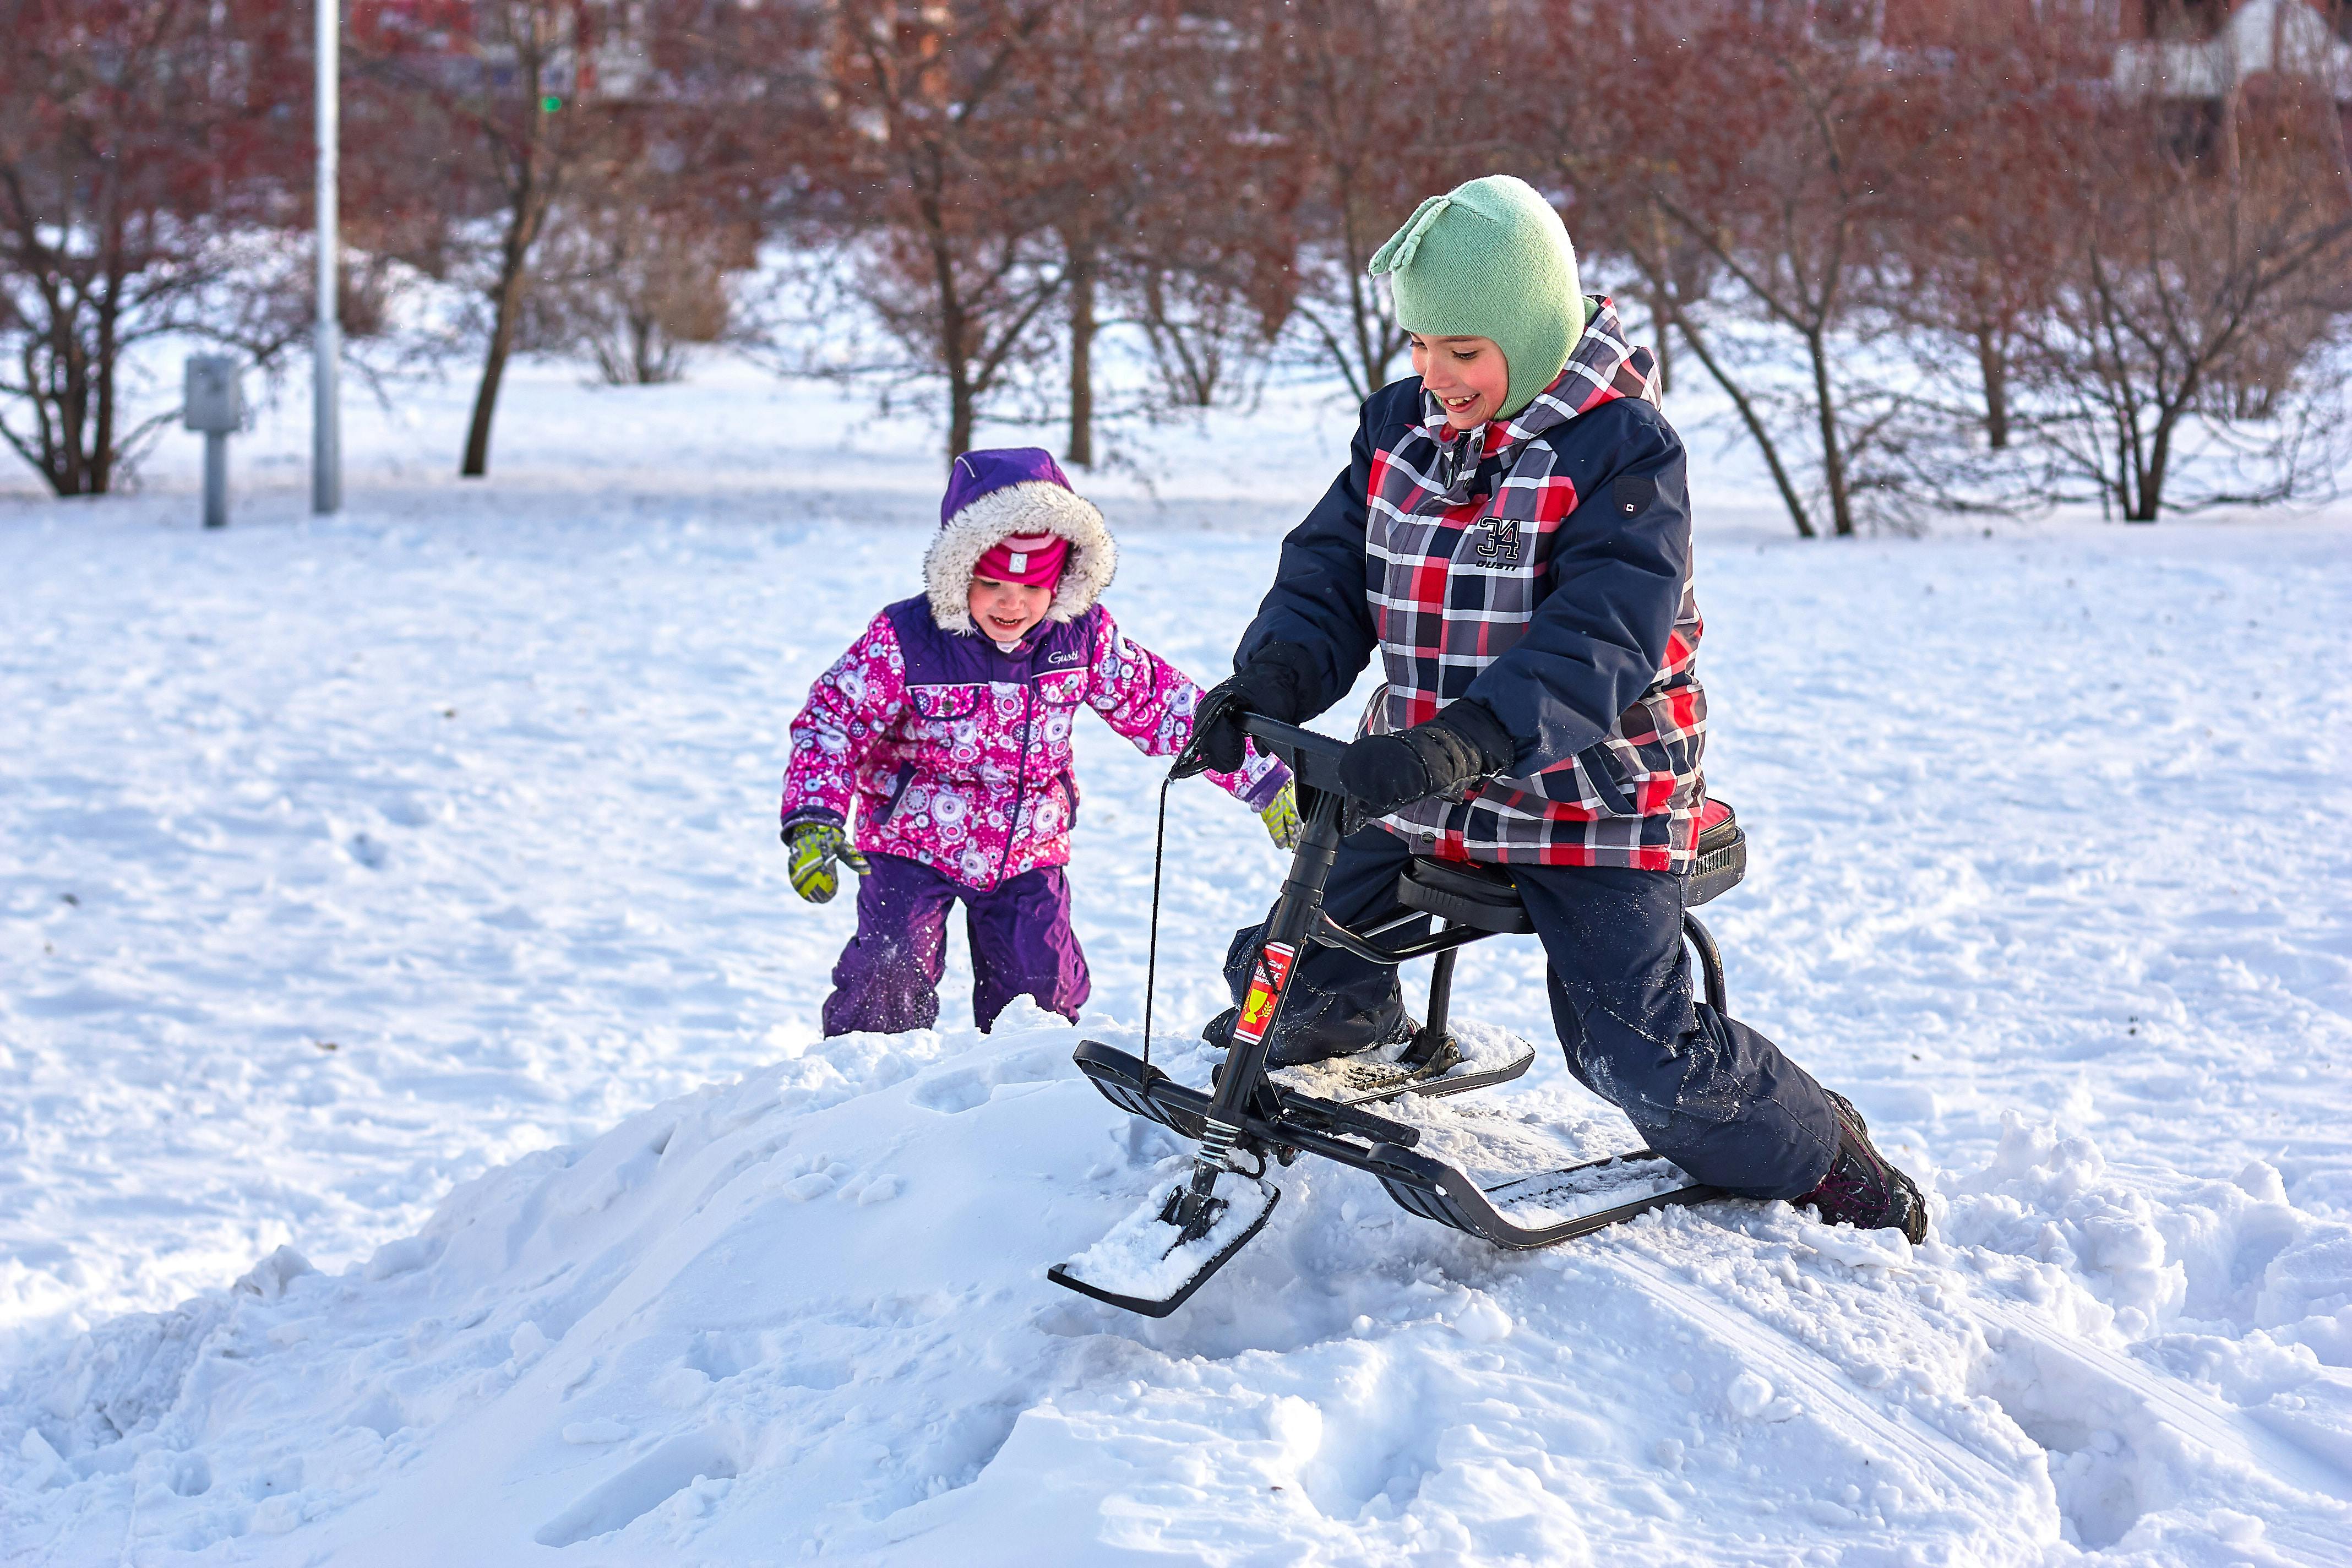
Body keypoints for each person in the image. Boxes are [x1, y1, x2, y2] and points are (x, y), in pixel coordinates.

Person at [1182, 176, 1925, 1240]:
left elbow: (1600, 638)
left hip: (1593, 793)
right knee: (1284, 967)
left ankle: (1817, 1141)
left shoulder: (1621, 452)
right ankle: (1354, 1009)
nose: (1434, 376)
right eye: (1420, 347)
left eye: (1464, 351)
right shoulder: (1400, 429)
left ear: (1531, 335)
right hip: (1427, 774)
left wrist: (1472, 739)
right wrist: (1272, 682)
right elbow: (1330, 572)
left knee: (1633, 1051)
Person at [782, 447, 1297, 1038]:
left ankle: (1022, 1102)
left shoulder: (1079, 638)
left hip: (1026, 847)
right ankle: (859, 1087)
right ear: (959, 571)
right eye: (993, 582)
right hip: (911, 841)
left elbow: (1165, 705)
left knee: (1039, 994)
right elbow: (831, 721)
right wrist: (813, 819)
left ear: (1062, 579)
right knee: (886, 972)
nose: (1012, 603)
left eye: (1032, 586)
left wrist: (1263, 778)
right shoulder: (907, 639)